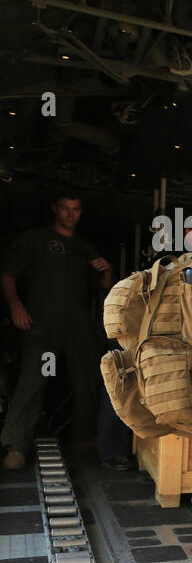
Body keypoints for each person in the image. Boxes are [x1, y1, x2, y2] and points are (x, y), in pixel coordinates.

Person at [2, 194, 113, 468]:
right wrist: (16, 305)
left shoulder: (84, 247)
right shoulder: (35, 239)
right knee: (35, 379)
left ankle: (84, 440)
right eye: (65, 208)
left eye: (75, 209)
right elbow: (7, 273)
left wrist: (107, 269)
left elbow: (107, 287)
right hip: (43, 325)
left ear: (81, 212)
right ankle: (16, 446)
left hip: (76, 326)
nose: (69, 214)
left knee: (87, 380)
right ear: (55, 209)